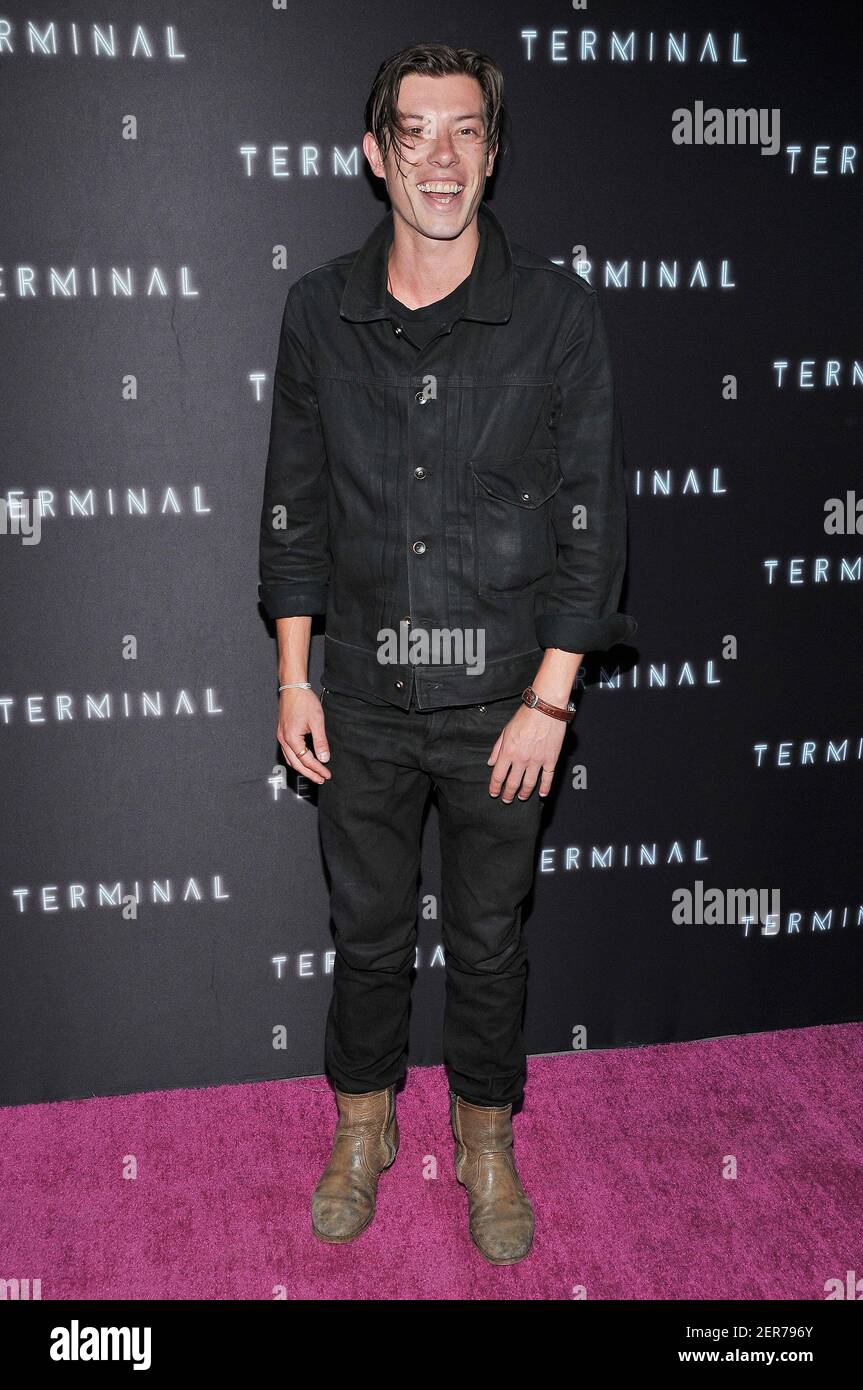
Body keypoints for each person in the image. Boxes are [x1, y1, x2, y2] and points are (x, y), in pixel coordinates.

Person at [258, 41, 636, 1264]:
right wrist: (294, 678)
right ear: (374, 155)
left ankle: (483, 1140)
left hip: (502, 708)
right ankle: (361, 1127)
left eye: (464, 130)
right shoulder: (318, 310)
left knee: (486, 941)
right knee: (365, 936)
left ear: (493, 152)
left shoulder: (558, 314)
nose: (438, 156)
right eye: (412, 131)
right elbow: (294, 509)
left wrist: (549, 701)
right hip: (359, 698)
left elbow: (593, 524)